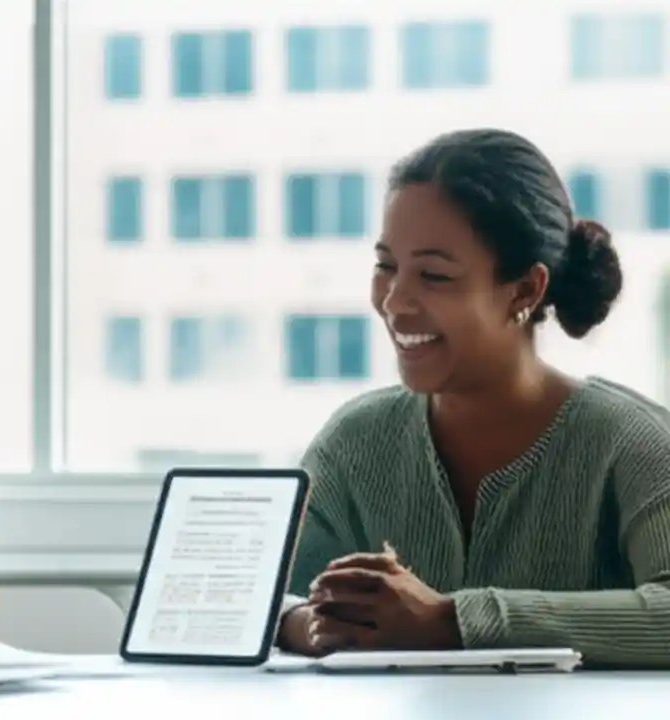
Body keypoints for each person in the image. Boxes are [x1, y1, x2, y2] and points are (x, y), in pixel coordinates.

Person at [278, 128, 670, 667]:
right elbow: (269, 599)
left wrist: (452, 622)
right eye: (386, 266)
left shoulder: (632, 444)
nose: (395, 302)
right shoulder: (355, 441)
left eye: (434, 276)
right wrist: (314, 626)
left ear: (525, 290)